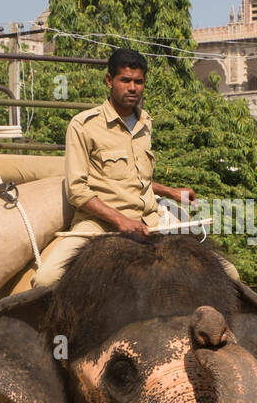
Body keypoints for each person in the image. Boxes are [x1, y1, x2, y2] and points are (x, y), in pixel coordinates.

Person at [34, 48, 236, 286]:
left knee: (229, 274)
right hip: (99, 224)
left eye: (138, 82)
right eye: (125, 80)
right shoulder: (83, 125)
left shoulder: (145, 122)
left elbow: (135, 179)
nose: (132, 88)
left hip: (150, 220)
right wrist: (121, 221)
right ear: (110, 81)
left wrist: (170, 192)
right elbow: (77, 190)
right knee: (46, 280)